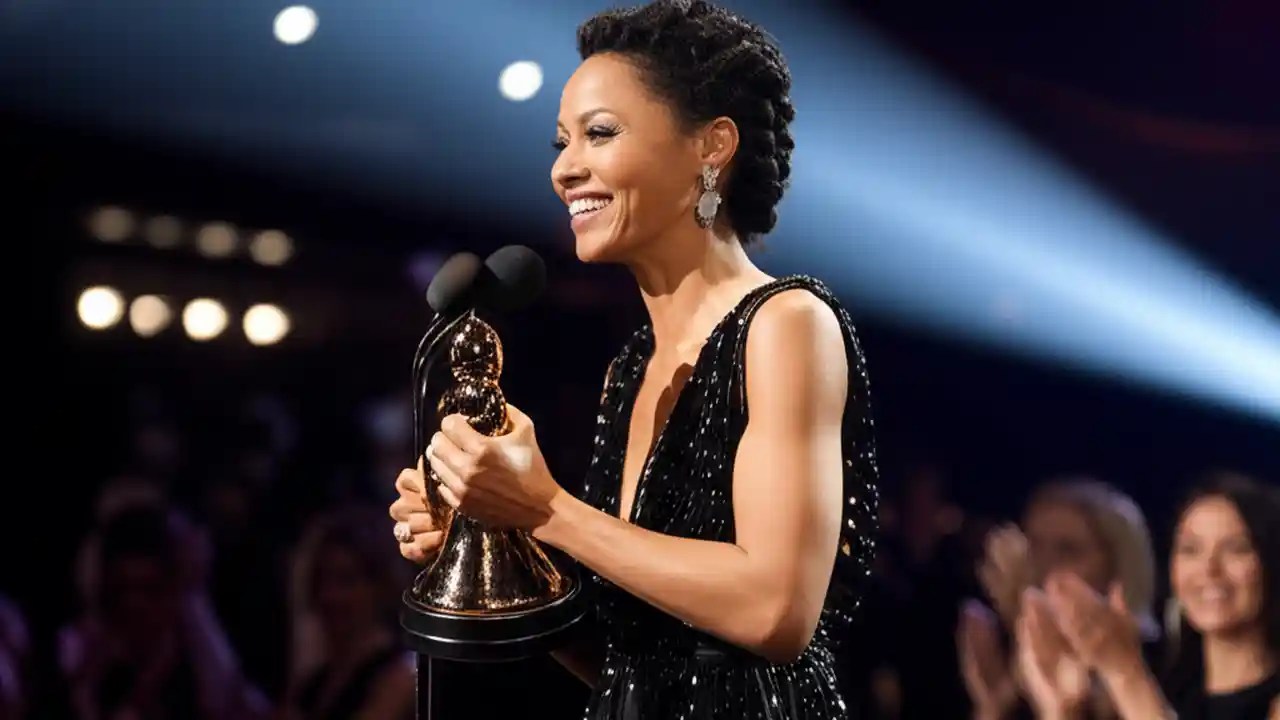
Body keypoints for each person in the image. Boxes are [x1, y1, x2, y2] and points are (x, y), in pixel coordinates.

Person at [388, 1, 880, 717]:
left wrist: (543, 508)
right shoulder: (633, 365)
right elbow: (632, 662)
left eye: (599, 134)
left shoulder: (786, 324)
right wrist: (492, 539)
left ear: (712, 147)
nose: (564, 170)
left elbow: (775, 611)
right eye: (561, 143)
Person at [1018, 473, 1280, 720]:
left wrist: (1125, 672)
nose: (1208, 569)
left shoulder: (1139, 688)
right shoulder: (1166, 688)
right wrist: (1063, 710)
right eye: (1190, 549)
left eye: (1236, 549)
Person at [959, 478, 1159, 719]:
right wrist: (995, 700)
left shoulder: (1155, 665)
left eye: (1067, 550)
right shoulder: (1004, 647)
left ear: (1117, 566)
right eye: (1034, 548)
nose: (1043, 565)